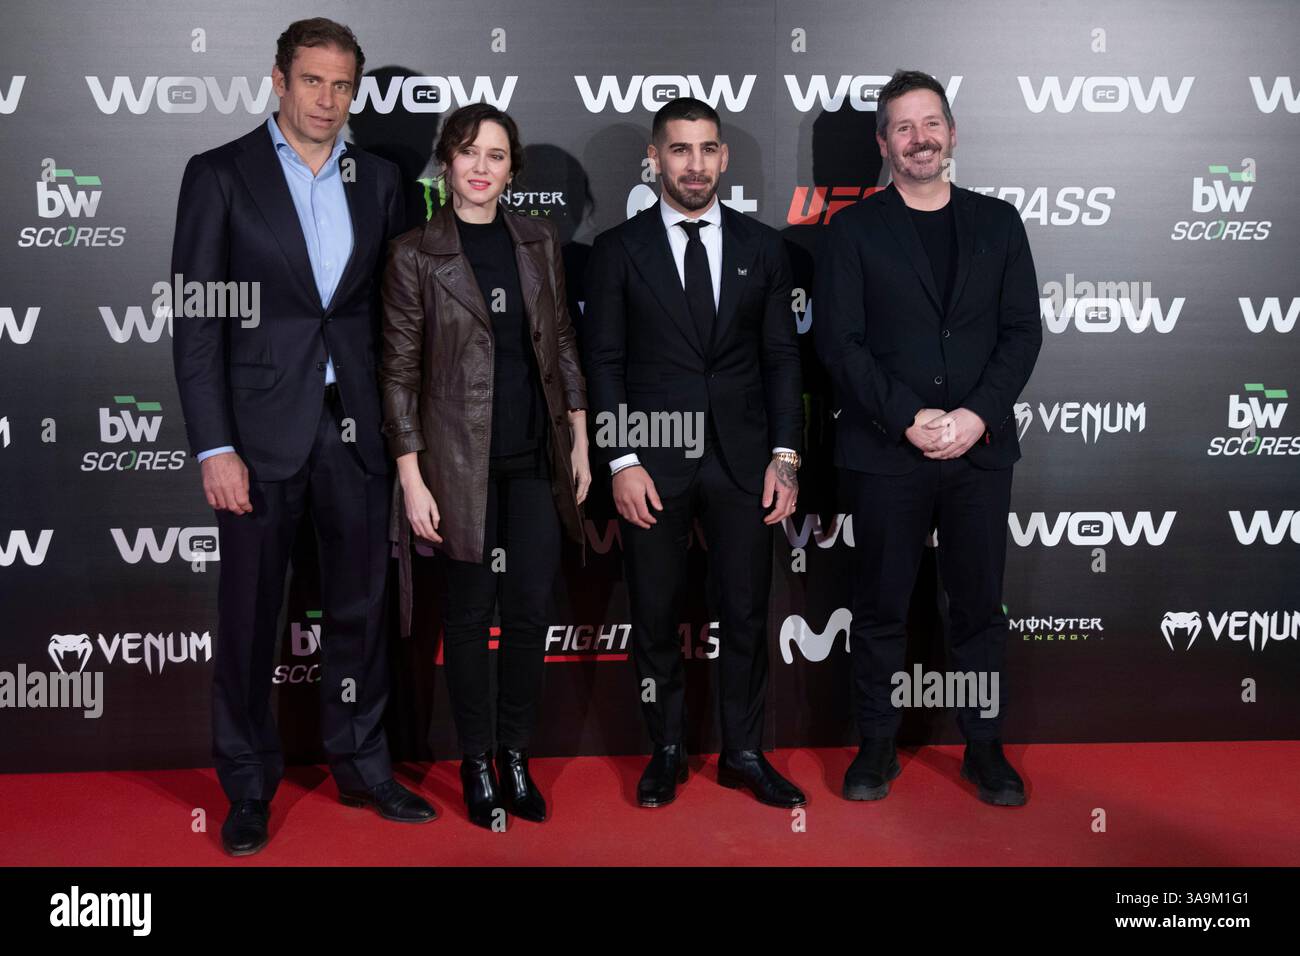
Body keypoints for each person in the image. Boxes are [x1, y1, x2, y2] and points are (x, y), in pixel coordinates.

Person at [171, 18, 435, 857]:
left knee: (360, 608)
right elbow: (198, 324)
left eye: (342, 85)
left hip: (355, 429)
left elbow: (392, 315)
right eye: (313, 81)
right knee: (250, 616)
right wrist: (214, 445)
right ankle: (247, 786)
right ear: (278, 81)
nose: (328, 100)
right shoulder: (219, 175)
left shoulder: (383, 178)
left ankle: (360, 761)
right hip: (255, 433)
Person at [813, 69, 1042, 806]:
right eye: (904, 127)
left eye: (931, 123)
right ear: (884, 143)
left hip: (980, 452)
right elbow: (840, 343)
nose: (920, 138)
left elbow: (1020, 333)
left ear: (952, 133)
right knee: (880, 607)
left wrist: (975, 416)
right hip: (886, 452)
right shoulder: (851, 229)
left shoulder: (998, 222)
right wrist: (908, 417)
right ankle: (875, 747)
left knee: (977, 608)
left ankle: (984, 749)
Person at [583, 98, 805, 809]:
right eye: (680, 150)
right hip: (650, 462)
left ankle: (743, 751)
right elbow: (605, 365)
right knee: (652, 614)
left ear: (725, 158)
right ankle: (666, 749)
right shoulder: (618, 250)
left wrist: (786, 458)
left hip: (744, 461)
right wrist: (620, 462)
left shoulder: (763, 247)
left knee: (744, 612)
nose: (695, 164)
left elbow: (781, 359)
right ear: (654, 158)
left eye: (708, 149)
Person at [380, 103, 591, 829]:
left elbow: (562, 340)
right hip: (455, 467)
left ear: (512, 168)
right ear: (446, 162)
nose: (480, 167)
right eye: (467, 152)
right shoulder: (415, 252)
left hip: (536, 459)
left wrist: (580, 438)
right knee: (470, 618)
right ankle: (475, 761)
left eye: (495, 155)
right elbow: (399, 372)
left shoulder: (539, 240)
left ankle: (516, 757)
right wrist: (411, 475)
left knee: (529, 614)